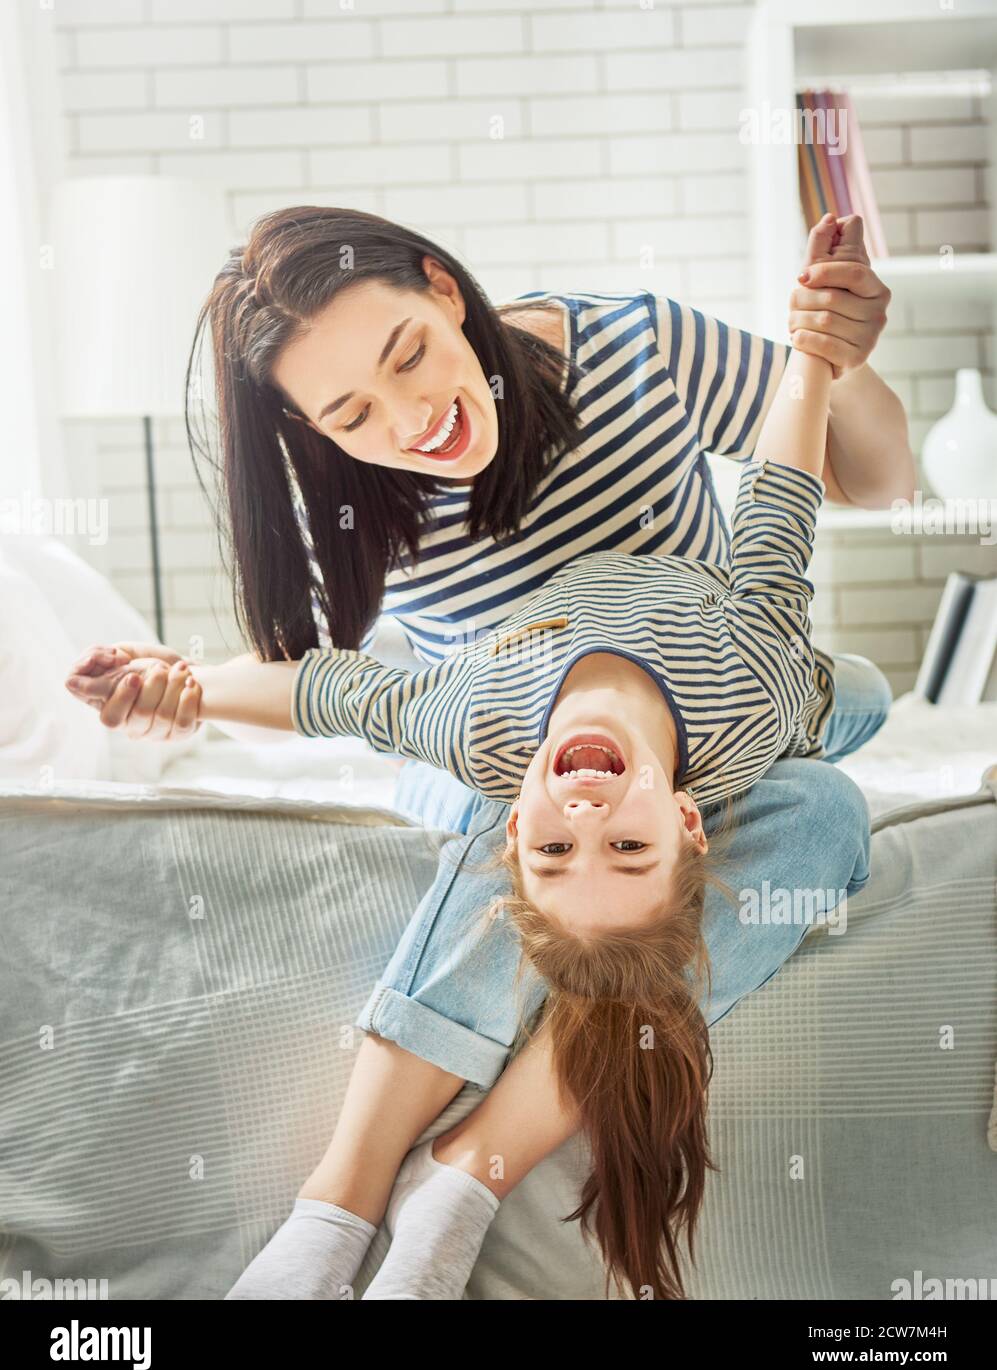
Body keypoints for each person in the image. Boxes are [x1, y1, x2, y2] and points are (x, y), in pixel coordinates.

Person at [69, 216, 895, 1300]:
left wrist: (830, 350)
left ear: (443, 289)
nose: (410, 419)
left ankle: (469, 1167)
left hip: (668, 704)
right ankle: (341, 1200)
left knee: (822, 790)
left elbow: (837, 476)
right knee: (773, 727)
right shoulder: (474, 710)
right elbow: (333, 691)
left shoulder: (637, 354)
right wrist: (185, 684)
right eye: (351, 413)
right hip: (507, 734)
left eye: (406, 353)